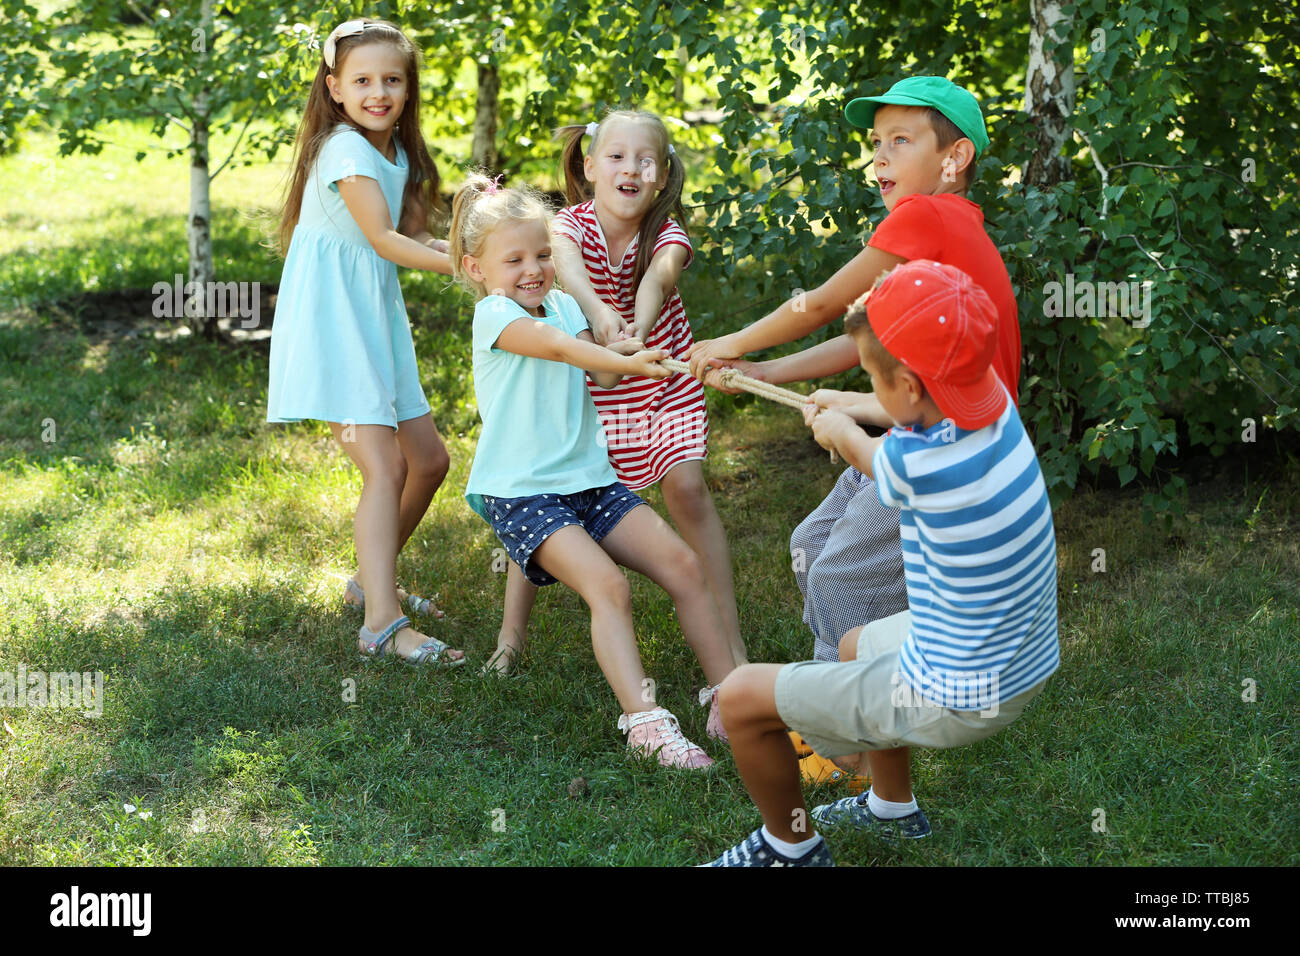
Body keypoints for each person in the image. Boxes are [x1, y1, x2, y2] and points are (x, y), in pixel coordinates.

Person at [705, 260, 1059, 865]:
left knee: (740, 698)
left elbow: (868, 454)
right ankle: (893, 809)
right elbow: (904, 409)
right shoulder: (993, 405)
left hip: (960, 691)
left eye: (873, 374)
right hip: (1020, 657)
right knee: (855, 643)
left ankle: (788, 846)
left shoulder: (919, 470)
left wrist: (840, 428)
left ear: (911, 387)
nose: (870, 384)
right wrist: (850, 399)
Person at [452, 173, 741, 768]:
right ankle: (646, 723)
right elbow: (562, 350)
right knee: (607, 586)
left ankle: (731, 701)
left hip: (589, 480)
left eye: (541, 255)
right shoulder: (497, 318)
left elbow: (603, 372)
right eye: (514, 260)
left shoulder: (559, 302)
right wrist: (620, 359)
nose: (532, 269)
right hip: (524, 494)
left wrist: (638, 351)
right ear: (477, 269)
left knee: (684, 566)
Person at [267, 18, 463, 666]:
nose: (378, 91)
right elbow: (384, 242)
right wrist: (468, 267)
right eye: (363, 80)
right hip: (333, 324)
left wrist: (471, 247)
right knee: (386, 467)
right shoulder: (346, 150)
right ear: (335, 87)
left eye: (392, 80)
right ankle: (382, 620)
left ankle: (367, 581)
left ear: (408, 89)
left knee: (428, 461)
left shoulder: (395, 153)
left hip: (373, 319)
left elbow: (411, 237)